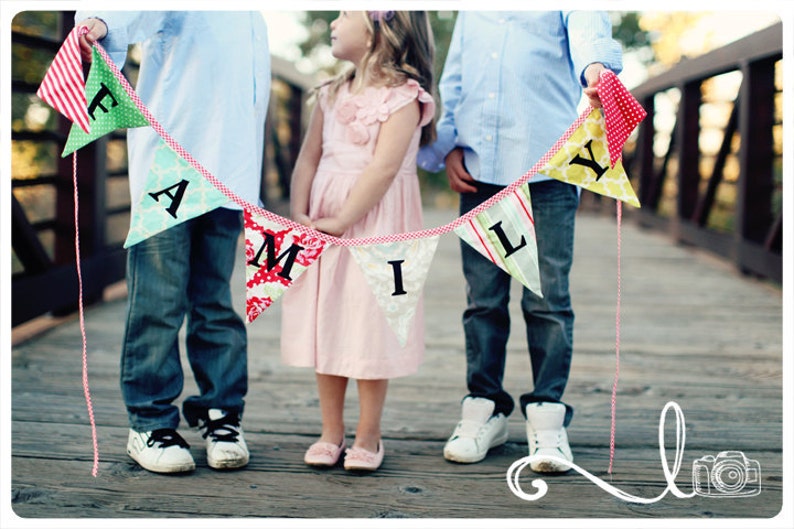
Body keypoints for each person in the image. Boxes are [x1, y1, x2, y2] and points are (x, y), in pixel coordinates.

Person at [417, 11, 623, 472]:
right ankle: (485, 407)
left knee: (547, 299)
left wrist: (595, 72)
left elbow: (591, 37)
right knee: (483, 300)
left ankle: (547, 414)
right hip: (480, 172)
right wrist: (447, 144)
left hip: (546, 172)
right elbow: (455, 81)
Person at [75, 11, 271, 473]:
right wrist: (101, 22)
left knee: (216, 302)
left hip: (230, 173)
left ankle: (221, 413)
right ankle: (149, 421)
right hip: (170, 168)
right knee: (158, 302)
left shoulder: (254, 16)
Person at [280, 10, 435, 472]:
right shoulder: (329, 94)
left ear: (375, 31)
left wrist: (346, 218)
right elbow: (307, 158)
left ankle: (369, 433)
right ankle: (331, 430)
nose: (333, 20)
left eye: (344, 12)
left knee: (370, 322)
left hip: (377, 223)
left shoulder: (405, 98)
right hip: (323, 221)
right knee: (325, 318)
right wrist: (300, 211)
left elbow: (384, 169)